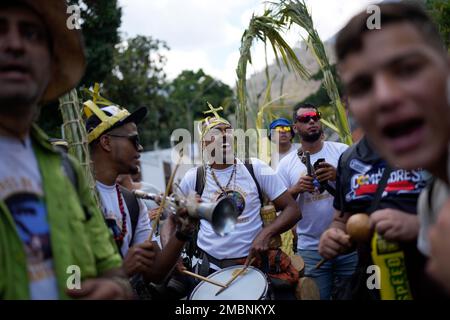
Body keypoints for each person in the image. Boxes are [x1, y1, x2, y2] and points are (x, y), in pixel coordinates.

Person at [0, 0, 131, 299]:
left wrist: (114, 289)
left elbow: (112, 269)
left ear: (51, 61)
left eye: (31, 33)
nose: (15, 44)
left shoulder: (66, 170)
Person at [320, 1, 449, 298]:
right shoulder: (350, 159)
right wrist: (334, 235)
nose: (386, 97)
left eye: (407, 69)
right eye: (363, 86)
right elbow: (342, 217)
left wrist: (419, 226)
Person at [168, 106, 300, 296]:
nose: (224, 136)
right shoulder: (194, 177)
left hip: (253, 267)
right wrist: (173, 255)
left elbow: (293, 210)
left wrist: (266, 234)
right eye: (216, 132)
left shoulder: (255, 168)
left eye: (227, 130)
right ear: (204, 144)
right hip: (210, 270)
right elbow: (170, 222)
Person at [84, 92, 196, 294]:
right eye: (134, 140)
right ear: (106, 143)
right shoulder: (73, 198)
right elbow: (69, 279)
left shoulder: (131, 203)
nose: (141, 147)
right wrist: (121, 272)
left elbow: (155, 273)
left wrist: (182, 233)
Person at [276, 103, 357, 300]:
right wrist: (296, 189)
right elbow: (279, 206)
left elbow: (363, 190)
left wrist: (338, 176)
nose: (312, 121)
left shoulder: (342, 151)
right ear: (295, 128)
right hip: (312, 249)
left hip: (348, 241)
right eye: (304, 119)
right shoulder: (286, 164)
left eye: (315, 116)